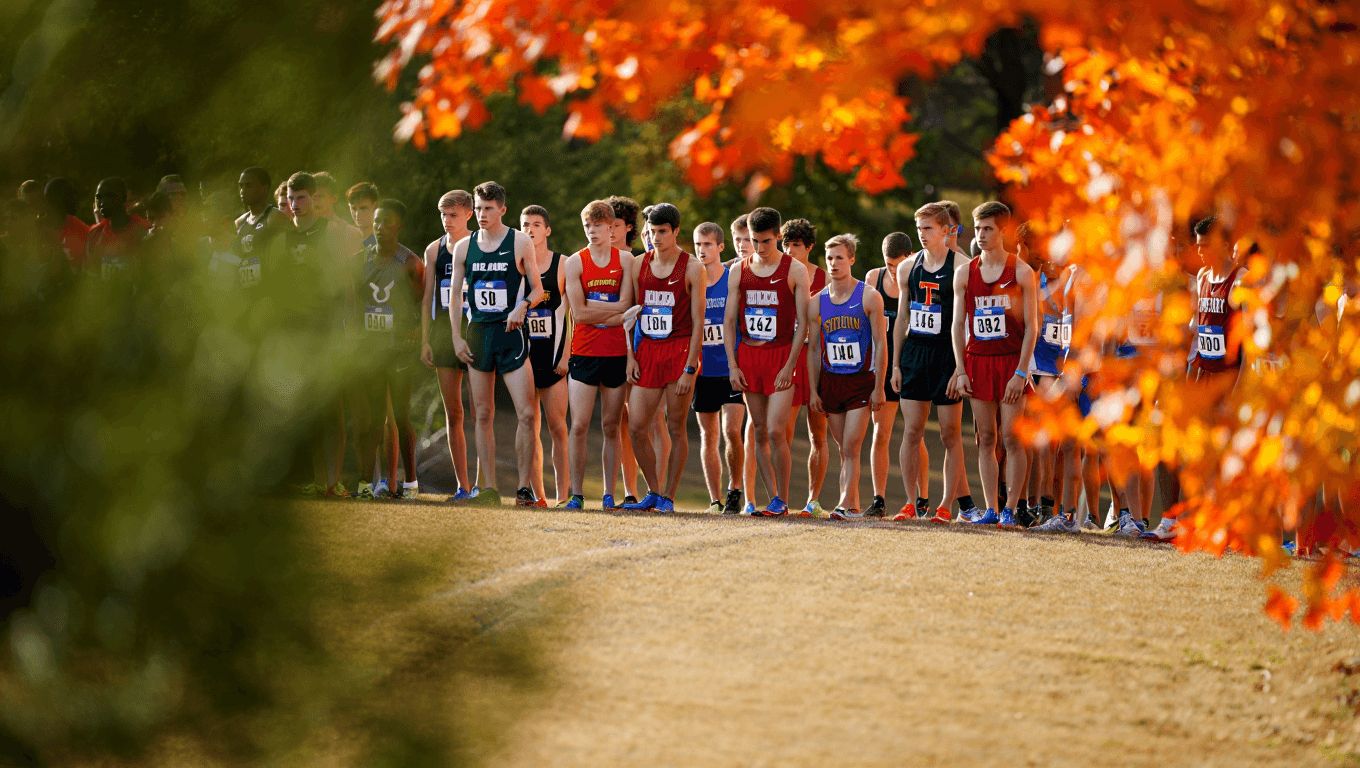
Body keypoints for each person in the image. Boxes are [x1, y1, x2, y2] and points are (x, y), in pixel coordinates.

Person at [263, 171, 362, 496]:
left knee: (332, 407)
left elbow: (346, 284)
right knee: (309, 408)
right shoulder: (281, 238)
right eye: (291, 199)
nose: (295, 204)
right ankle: (319, 480)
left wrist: (349, 327)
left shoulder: (330, 232)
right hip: (295, 332)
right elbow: (275, 289)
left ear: (313, 197)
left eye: (301, 197)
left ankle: (334, 480)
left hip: (327, 329)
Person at [449, 181, 546, 506]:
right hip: (478, 335)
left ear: (502, 210)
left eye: (488, 208)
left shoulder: (519, 242)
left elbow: (538, 289)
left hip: (510, 335)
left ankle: (523, 488)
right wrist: (456, 336)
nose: (482, 214)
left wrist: (523, 306)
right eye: (478, 208)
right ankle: (489, 488)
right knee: (482, 413)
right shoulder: (464, 247)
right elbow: (455, 297)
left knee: (528, 414)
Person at [947, 201, 1038, 528]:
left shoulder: (1021, 272)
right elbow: (957, 325)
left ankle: (1010, 508)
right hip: (978, 362)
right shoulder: (964, 273)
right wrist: (960, 369)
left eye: (988, 229)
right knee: (986, 438)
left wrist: (1021, 372)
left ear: (1003, 231)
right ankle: (990, 509)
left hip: (1011, 363)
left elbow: (1032, 327)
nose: (981, 235)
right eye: (977, 228)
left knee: (1012, 438)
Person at [892, 204, 976, 523]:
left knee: (949, 434)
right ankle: (910, 502)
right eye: (919, 229)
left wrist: (960, 367)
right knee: (912, 430)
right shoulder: (907, 268)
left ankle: (945, 505)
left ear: (945, 230)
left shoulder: (962, 267)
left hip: (946, 354)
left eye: (928, 228)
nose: (922, 234)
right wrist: (896, 364)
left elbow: (965, 322)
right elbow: (902, 318)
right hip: (915, 352)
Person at [723, 207, 810, 515]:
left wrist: (790, 364)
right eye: (754, 241)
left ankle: (782, 499)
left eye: (766, 241)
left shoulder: (795, 270)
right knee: (759, 430)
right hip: (749, 356)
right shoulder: (739, 270)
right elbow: (728, 320)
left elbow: (804, 323)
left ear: (778, 237)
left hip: (781, 355)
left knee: (775, 430)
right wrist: (733, 365)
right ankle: (773, 498)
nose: (759, 248)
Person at [620, 203, 704, 512]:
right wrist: (630, 356)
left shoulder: (692, 267)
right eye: (652, 231)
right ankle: (653, 491)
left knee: (676, 427)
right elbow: (630, 313)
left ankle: (669, 496)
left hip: (679, 351)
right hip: (647, 352)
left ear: (676, 230)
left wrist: (690, 367)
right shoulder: (637, 264)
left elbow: (699, 321)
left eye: (663, 232)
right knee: (636, 426)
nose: (656, 237)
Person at [561, 200, 635, 510]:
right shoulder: (575, 263)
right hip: (584, 351)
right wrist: (615, 312)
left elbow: (629, 307)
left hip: (616, 353)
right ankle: (577, 494)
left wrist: (601, 309)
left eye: (598, 225)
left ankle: (608, 495)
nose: (592, 231)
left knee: (611, 426)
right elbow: (579, 313)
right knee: (578, 425)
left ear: (611, 227)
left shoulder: (626, 260)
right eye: (587, 226)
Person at [807, 234, 886, 519]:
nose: (833, 263)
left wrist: (879, 387)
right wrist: (813, 390)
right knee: (844, 449)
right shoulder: (817, 302)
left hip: (860, 381)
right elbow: (813, 349)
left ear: (851, 259)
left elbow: (880, 343)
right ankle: (851, 506)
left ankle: (842, 504)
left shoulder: (869, 296)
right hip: (831, 381)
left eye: (839, 257)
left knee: (852, 446)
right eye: (829, 258)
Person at [351, 199, 425, 500]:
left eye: (386, 222)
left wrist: (414, 334)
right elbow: (355, 302)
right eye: (376, 222)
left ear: (399, 226)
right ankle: (365, 485)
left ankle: (411, 484)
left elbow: (421, 304)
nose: (380, 228)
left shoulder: (410, 263)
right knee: (373, 418)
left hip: (400, 351)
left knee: (402, 416)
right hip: (371, 349)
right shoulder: (360, 260)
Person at [420, 190, 477, 501]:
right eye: (443, 215)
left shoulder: (481, 244)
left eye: (453, 215)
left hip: (477, 333)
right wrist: (424, 340)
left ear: (469, 214)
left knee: (482, 413)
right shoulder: (434, 250)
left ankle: (485, 485)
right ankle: (462, 487)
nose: (447, 220)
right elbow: (427, 298)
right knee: (453, 411)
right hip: (443, 336)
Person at [691, 222, 747, 514]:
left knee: (732, 431)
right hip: (703, 371)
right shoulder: (693, 282)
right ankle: (715, 500)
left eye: (708, 245)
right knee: (708, 435)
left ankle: (735, 490)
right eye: (698, 245)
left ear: (720, 247)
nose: (702, 250)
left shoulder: (732, 278)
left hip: (731, 368)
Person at [780, 217, 830, 516]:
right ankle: (781, 499)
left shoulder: (824, 278)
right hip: (788, 357)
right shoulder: (778, 275)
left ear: (809, 246)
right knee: (782, 432)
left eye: (796, 245)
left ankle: (813, 500)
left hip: (817, 359)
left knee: (818, 433)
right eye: (786, 245)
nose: (789, 250)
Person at [521, 204, 570, 506]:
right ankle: (538, 496)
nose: (530, 230)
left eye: (536, 224)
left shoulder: (562, 264)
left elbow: (571, 314)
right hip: (524, 358)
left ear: (547, 230)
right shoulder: (518, 266)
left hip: (554, 358)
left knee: (558, 428)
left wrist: (566, 356)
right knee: (530, 426)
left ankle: (563, 497)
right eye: (525, 225)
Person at [863, 232, 909, 518]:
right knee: (880, 432)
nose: (893, 271)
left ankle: (919, 500)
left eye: (897, 264)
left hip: (910, 364)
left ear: (909, 257)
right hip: (882, 365)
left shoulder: (916, 277)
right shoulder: (873, 278)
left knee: (913, 433)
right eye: (888, 264)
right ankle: (878, 499)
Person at [606, 195, 645, 506]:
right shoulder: (594, 260)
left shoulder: (638, 262)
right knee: (618, 421)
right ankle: (630, 492)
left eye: (615, 225)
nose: (609, 231)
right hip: (605, 347)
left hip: (638, 349)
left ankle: (659, 490)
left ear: (629, 227)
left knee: (644, 422)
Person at [234, 167, 291, 292]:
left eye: (249, 185)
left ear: (264, 189)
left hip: (270, 292)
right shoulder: (239, 223)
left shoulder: (275, 217)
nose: (243, 190)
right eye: (241, 186)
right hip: (244, 293)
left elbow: (286, 260)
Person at [86, 177, 150, 282]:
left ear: (123, 198)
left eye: (109, 196)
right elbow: (91, 279)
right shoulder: (95, 234)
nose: (102, 202)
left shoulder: (144, 231)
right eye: (99, 197)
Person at [42, 178, 89, 271]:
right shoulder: (37, 229)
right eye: (69, 195)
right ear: (53, 199)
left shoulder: (81, 230)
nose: (75, 199)